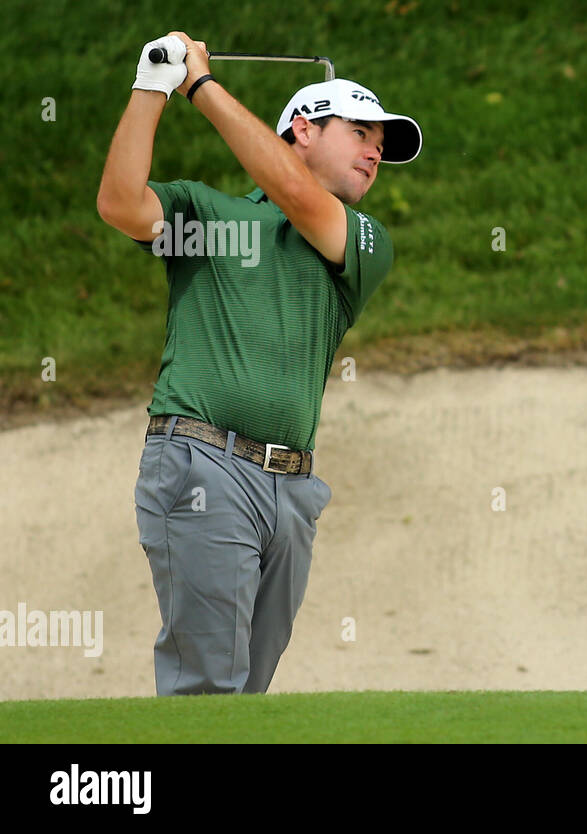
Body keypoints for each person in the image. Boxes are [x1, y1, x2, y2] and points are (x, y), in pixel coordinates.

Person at [95, 32, 422, 695]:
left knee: (249, 698)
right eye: (360, 131)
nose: (374, 152)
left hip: (292, 493)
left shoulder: (363, 242)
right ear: (301, 129)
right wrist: (155, 86)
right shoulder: (210, 217)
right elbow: (121, 204)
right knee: (209, 690)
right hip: (202, 466)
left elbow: (300, 198)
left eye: (382, 144)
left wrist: (203, 87)